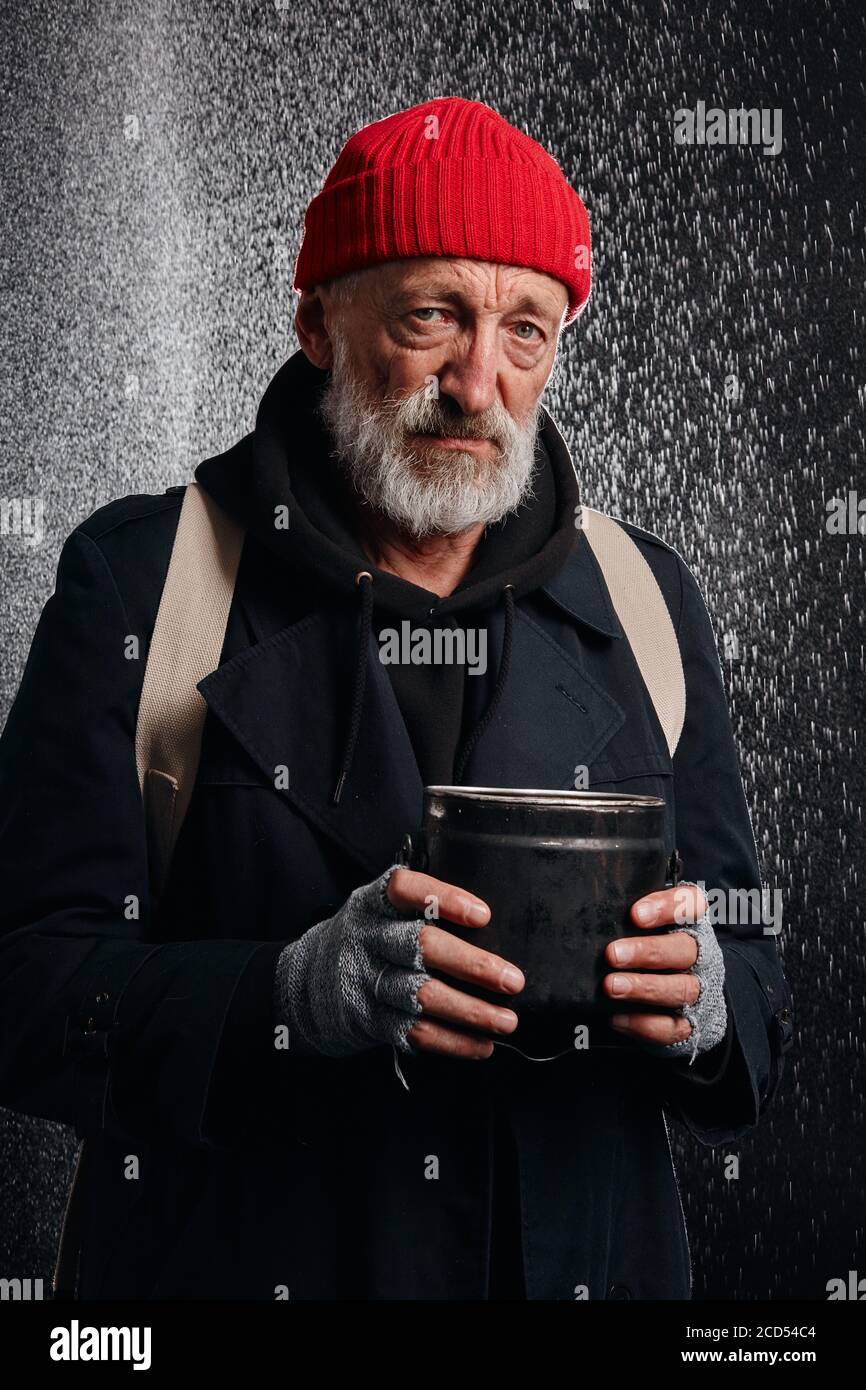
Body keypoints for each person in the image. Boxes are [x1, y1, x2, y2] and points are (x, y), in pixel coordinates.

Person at [0, 96, 793, 1301]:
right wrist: (284, 997)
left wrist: (713, 1005)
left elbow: (750, 972)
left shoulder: (647, 598)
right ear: (318, 321)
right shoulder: (144, 585)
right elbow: (24, 983)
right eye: (434, 315)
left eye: (525, 330)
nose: (478, 383)